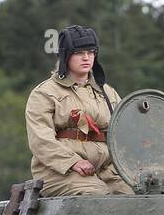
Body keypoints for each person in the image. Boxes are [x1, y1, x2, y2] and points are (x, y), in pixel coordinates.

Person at [26, 25, 131, 197]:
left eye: (91, 52)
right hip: (61, 172)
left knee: (138, 198)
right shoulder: (45, 93)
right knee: (98, 197)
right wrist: (73, 162)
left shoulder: (107, 92)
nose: (86, 58)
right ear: (66, 55)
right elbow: (41, 141)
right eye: (79, 53)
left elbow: (124, 132)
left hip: (106, 169)